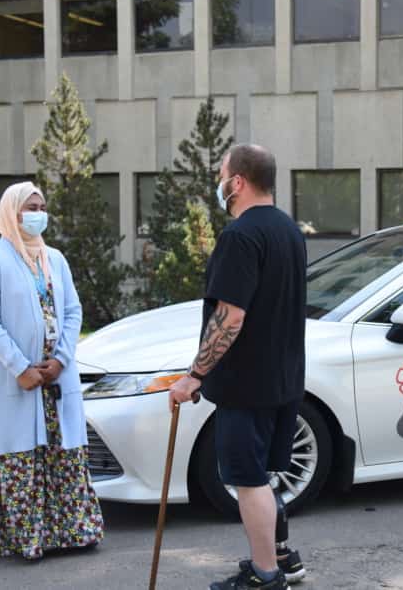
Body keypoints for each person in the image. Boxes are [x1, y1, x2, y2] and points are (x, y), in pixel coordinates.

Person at [170, 144, 307, 590]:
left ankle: (266, 575)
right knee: (262, 477)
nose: (219, 183)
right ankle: (281, 558)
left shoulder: (240, 236)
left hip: (247, 383)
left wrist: (195, 375)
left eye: (221, 175)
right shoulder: (289, 230)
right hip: (284, 377)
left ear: (238, 182)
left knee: (248, 481)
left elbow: (230, 317)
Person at [0, 181, 103, 560]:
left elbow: (73, 311)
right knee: (22, 461)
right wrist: (20, 367)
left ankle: (73, 534)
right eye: (31, 207)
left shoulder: (54, 259)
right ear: (11, 212)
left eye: (42, 207)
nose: (38, 214)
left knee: (63, 456)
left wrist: (61, 360)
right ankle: (27, 540)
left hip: (56, 378)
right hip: (20, 381)